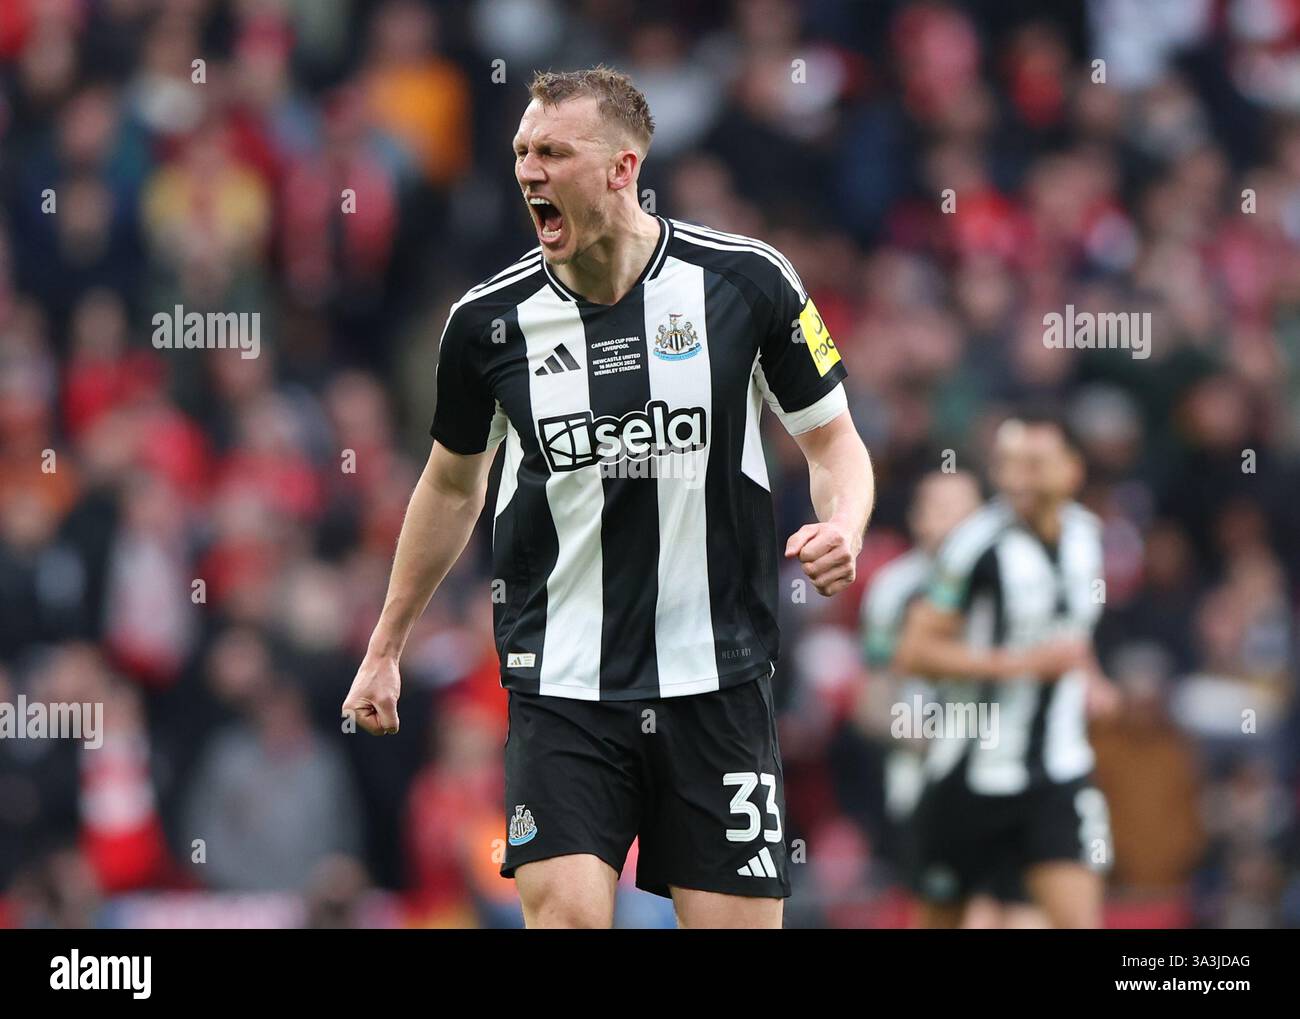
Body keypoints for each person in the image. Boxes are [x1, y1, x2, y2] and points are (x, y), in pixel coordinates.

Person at [342, 66, 874, 929]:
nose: (528, 172)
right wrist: (386, 642)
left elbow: (833, 438)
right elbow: (449, 482)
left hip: (717, 675)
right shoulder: (486, 322)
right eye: (522, 152)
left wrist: (842, 523)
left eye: (554, 152)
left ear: (624, 168)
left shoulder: (747, 283)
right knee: (567, 919)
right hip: (563, 681)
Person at [895, 411, 1118, 929]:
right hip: (969, 775)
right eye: (1007, 464)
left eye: (1033, 464)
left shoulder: (1088, 537)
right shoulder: (974, 546)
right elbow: (915, 652)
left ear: (1072, 470)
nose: (1017, 478)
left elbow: (1071, 630)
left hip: (1058, 773)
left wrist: (1094, 678)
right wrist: (1020, 665)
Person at [861, 469, 1045, 927]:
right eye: (935, 508)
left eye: (961, 510)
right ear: (915, 517)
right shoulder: (894, 588)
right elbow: (873, 694)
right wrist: (930, 738)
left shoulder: (1019, 575)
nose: (948, 523)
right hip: (926, 784)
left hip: (1014, 773)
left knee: (1021, 910)